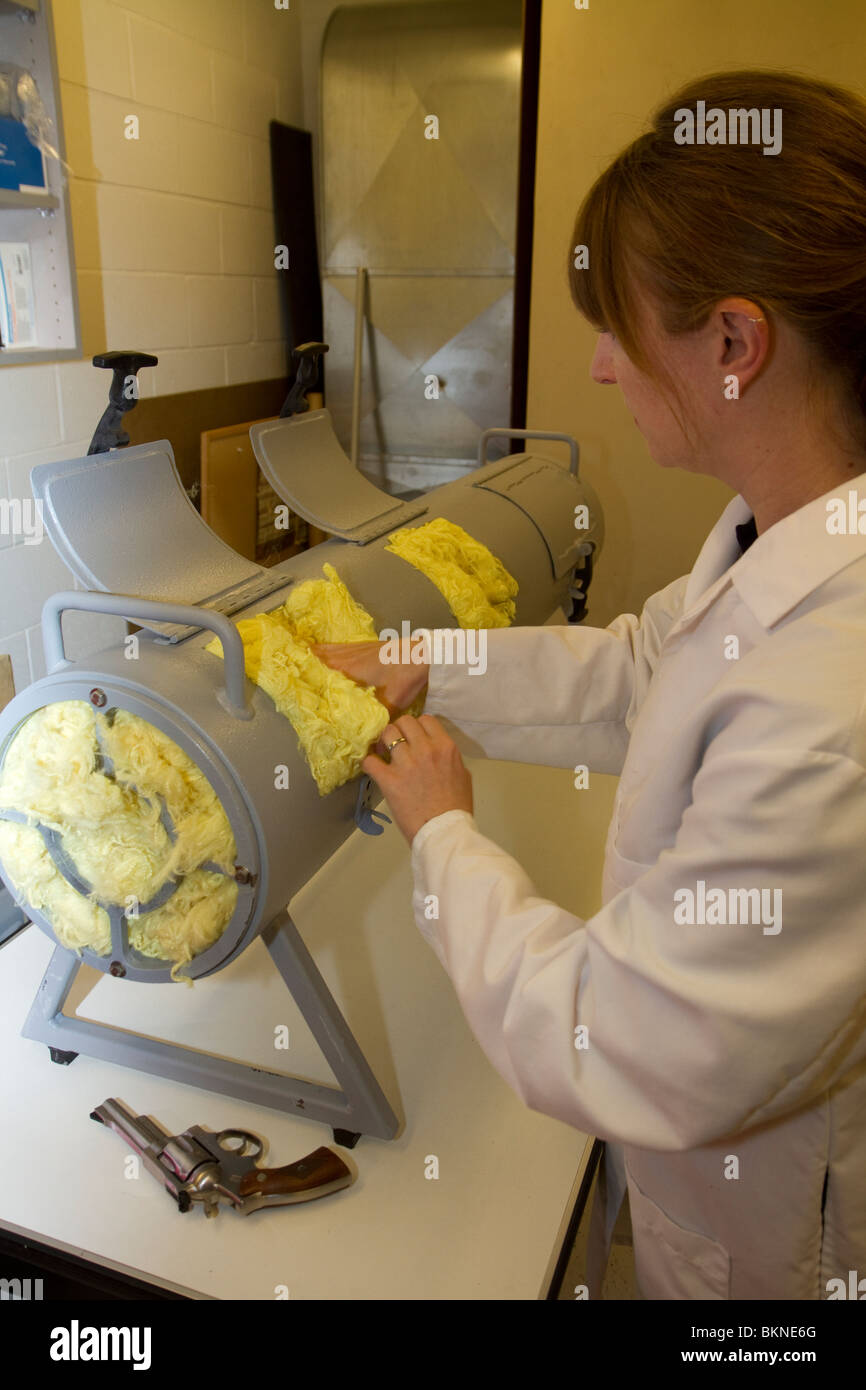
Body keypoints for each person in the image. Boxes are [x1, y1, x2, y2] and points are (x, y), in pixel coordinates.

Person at [314, 69, 866, 1300]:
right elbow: (635, 666)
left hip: (784, 1244)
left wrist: (442, 833)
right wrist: (428, 658)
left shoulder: (832, 700)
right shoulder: (773, 535)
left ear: (732, 341)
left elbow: (619, 1040)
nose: (603, 366)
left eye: (618, 324)